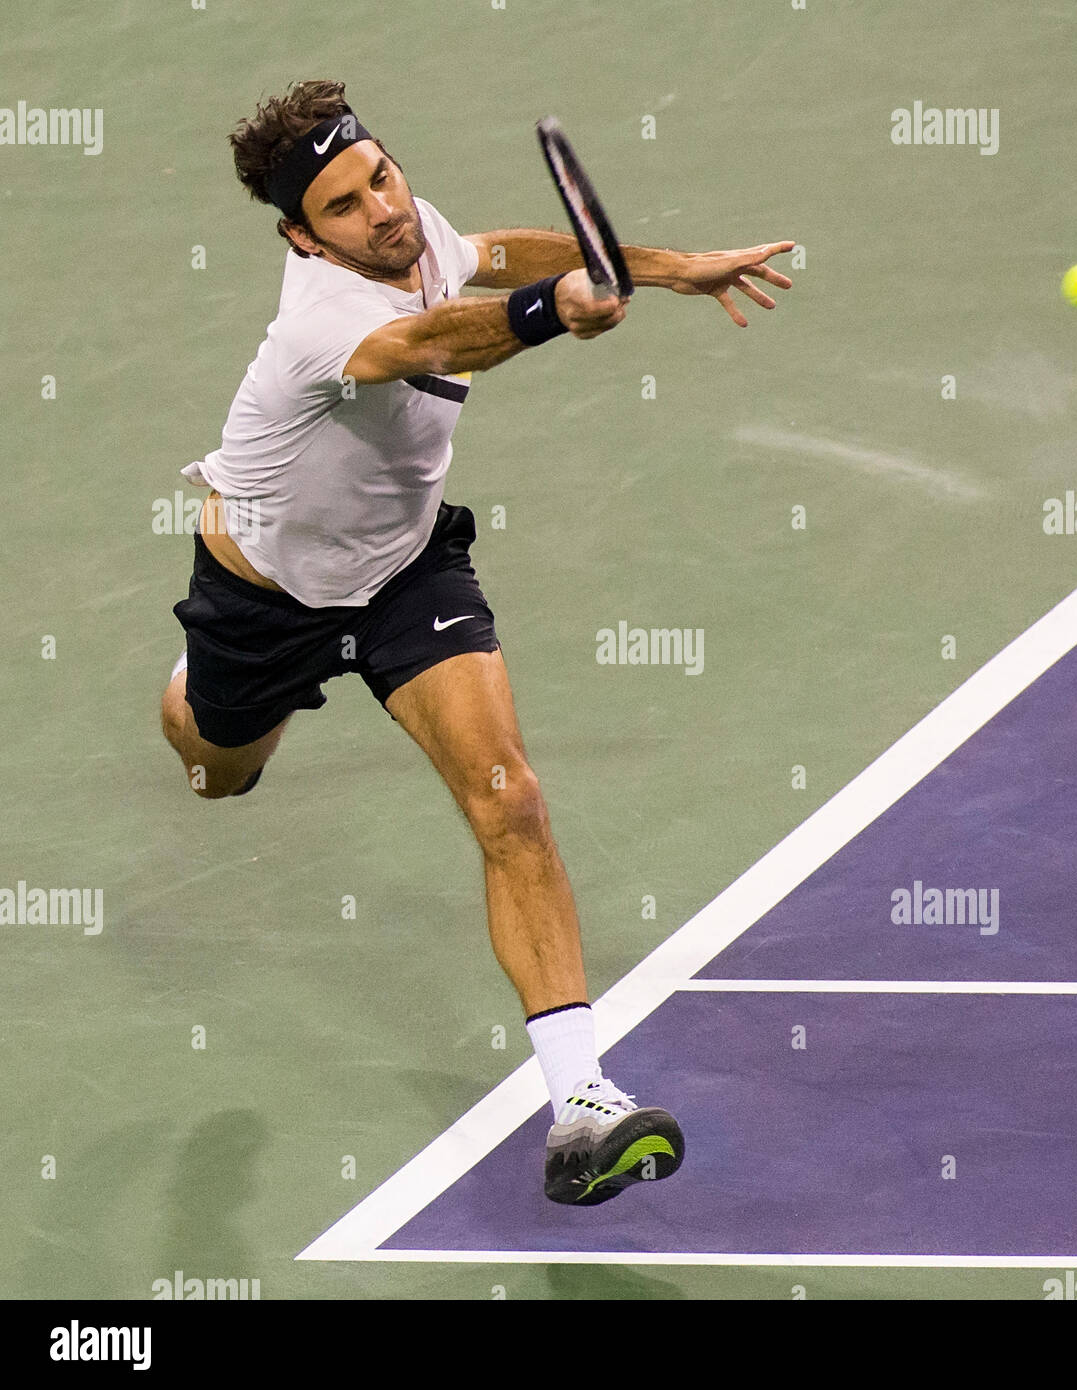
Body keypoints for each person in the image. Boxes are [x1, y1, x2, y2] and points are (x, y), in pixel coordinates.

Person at [161, 79, 794, 1205]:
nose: (384, 212)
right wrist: (558, 309)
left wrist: (657, 263)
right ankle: (204, 701)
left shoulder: (410, 227)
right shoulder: (321, 318)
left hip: (404, 570)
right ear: (301, 236)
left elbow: (486, 255)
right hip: (266, 596)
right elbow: (431, 336)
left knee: (509, 801)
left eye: (382, 177)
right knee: (217, 768)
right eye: (346, 209)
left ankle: (581, 1100)